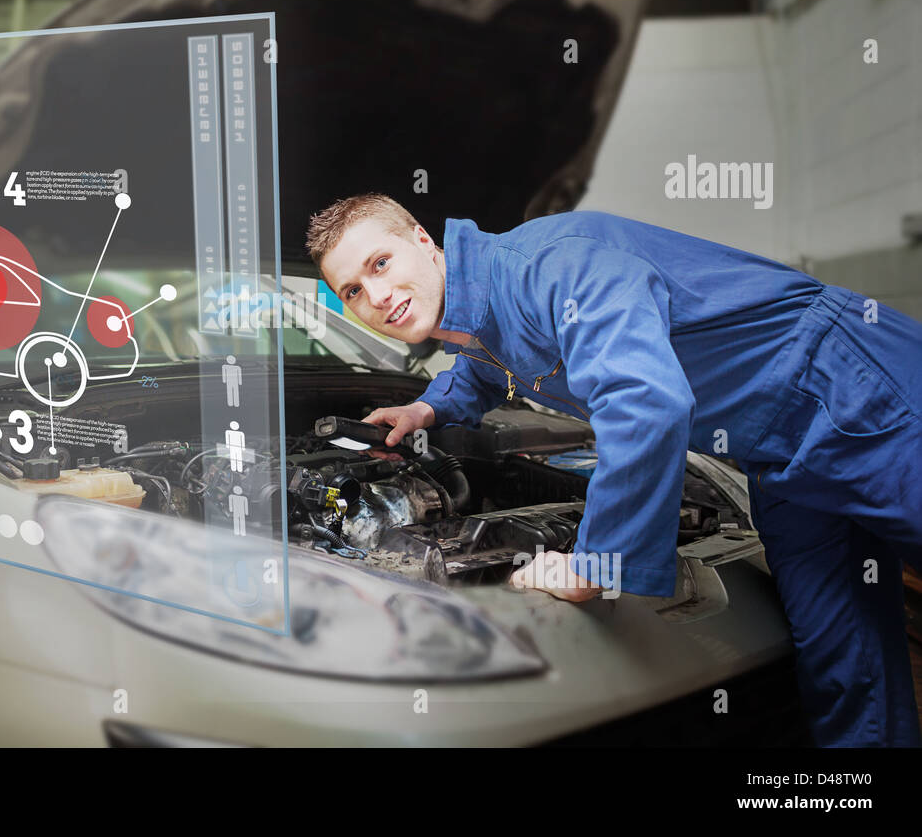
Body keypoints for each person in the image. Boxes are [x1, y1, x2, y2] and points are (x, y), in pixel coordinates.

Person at [307, 192, 922, 747]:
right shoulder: (482, 310)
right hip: (776, 456)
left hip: (855, 385)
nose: (376, 296)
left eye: (379, 263)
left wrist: (596, 561)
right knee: (843, 657)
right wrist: (424, 408)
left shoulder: (555, 263)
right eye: (352, 290)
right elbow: (490, 365)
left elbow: (645, 403)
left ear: (422, 238)